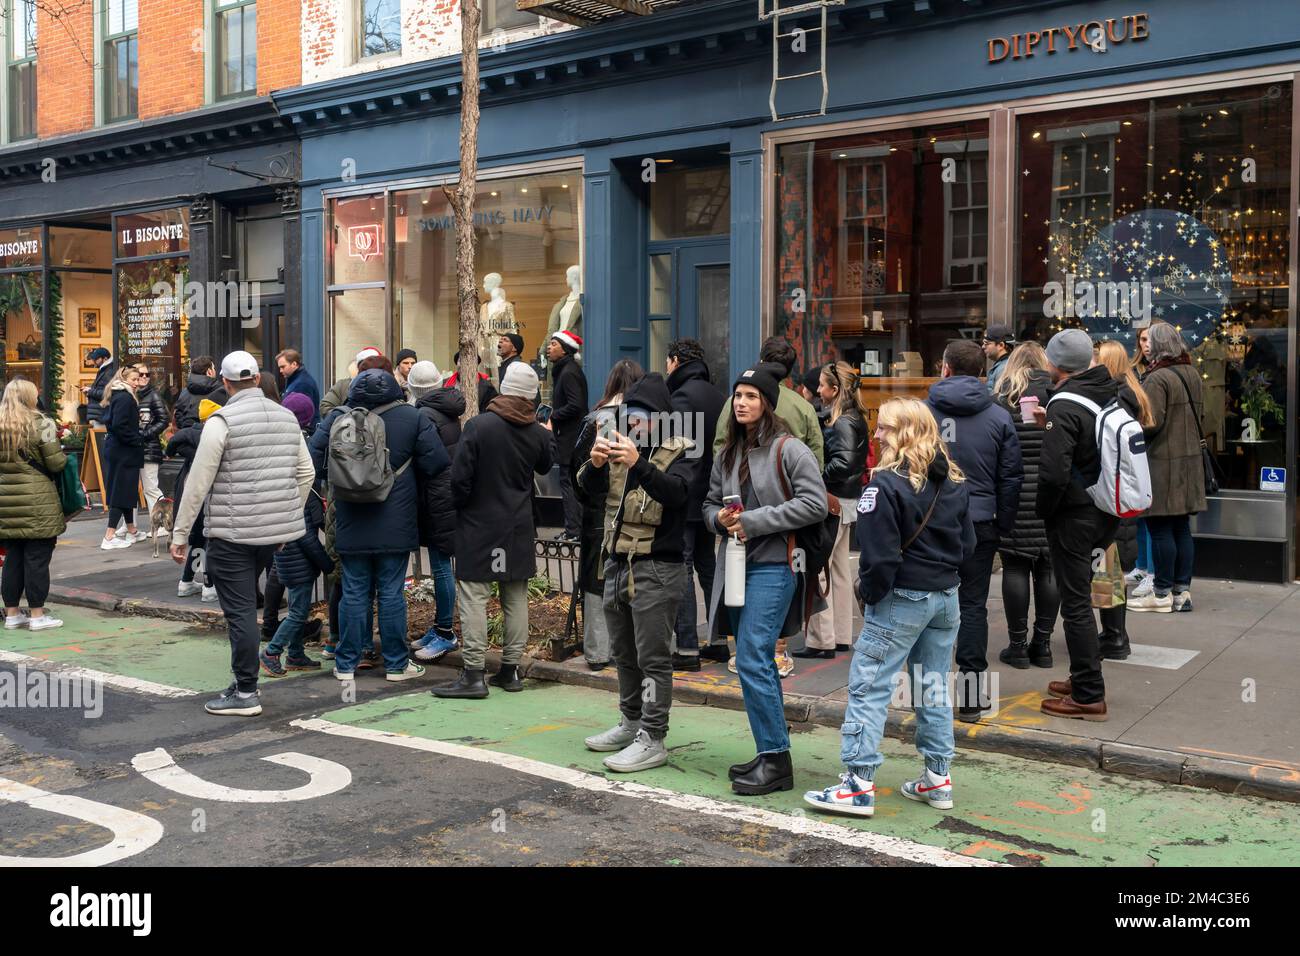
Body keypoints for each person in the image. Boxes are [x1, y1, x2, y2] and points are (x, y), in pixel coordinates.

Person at [804, 398, 974, 818]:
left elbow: (879, 559)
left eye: (883, 428)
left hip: (902, 597)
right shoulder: (952, 481)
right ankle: (938, 778)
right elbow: (968, 545)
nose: (875, 436)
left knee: (870, 688)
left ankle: (857, 785)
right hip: (944, 597)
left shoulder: (884, 485)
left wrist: (871, 595)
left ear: (905, 433)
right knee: (932, 687)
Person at [703, 364, 828, 796]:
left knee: (754, 658)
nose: (741, 402)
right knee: (753, 662)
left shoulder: (789, 449)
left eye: (751, 396)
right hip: (735, 567)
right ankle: (770, 752)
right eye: (737, 395)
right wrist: (717, 519)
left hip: (776, 566)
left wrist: (754, 522)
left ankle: (777, 761)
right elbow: (707, 504)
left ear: (767, 403)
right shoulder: (728, 454)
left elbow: (815, 504)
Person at [170, 351, 317, 717]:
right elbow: (306, 474)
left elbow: (197, 483)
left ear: (225, 381)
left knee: (239, 613)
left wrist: (180, 534)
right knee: (245, 607)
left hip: (231, 534)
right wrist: (287, 518)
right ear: (257, 379)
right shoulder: (286, 418)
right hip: (270, 535)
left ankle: (246, 690)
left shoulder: (222, 421)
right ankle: (242, 683)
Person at [580, 373, 696, 772]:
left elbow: (679, 496)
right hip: (616, 562)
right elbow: (589, 496)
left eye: (644, 416)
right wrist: (594, 465)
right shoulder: (619, 448)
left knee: (654, 658)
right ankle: (630, 722)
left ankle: (653, 736)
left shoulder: (683, 449)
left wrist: (640, 465)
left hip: (657, 568)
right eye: (631, 415)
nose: (634, 423)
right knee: (624, 655)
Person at [310, 368, 449, 682]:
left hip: (349, 519)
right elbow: (436, 463)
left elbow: (313, 457)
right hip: (396, 521)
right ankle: (397, 664)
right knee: (390, 593)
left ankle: (345, 664)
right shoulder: (413, 418)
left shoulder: (337, 419)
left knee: (355, 592)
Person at [434, 362, 553, 699]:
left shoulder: (479, 426)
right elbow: (546, 464)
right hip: (517, 525)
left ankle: (473, 674)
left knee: (474, 596)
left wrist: (461, 505)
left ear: (504, 388)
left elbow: (459, 479)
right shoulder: (536, 433)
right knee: (514, 596)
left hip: (479, 524)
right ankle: (511, 670)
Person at [925, 338, 1022, 721]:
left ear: (945, 368)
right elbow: (1011, 477)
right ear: (983, 372)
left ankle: (925, 695)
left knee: (924, 606)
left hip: (930, 521)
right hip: (980, 521)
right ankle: (970, 698)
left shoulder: (922, 413)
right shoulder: (998, 416)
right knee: (972, 606)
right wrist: (1004, 523)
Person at [1035, 328, 1120, 721]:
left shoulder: (1063, 405)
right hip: (1104, 506)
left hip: (1074, 514)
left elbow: (1053, 474)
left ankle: (1088, 693)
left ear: (1056, 363)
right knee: (1086, 595)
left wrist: (1044, 510)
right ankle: (1083, 674)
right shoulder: (1106, 390)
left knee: (1075, 603)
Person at [571, 359, 644, 672]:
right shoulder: (651, 420)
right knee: (637, 582)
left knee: (597, 581)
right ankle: (637, 649)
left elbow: (579, 472)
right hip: (639, 515)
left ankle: (599, 651)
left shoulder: (596, 421)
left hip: (599, 516)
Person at [992, 341, 1059, 669]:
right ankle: (1043, 645)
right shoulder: (1057, 394)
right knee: (1049, 566)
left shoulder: (1003, 398)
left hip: (1014, 492)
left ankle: (1017, 646)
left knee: (1015, 565)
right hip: (1051, 492)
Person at [1131, 322, 1206, 614]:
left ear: (1160, 346)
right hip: (1189, 461)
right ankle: (1181, 591)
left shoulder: (1157, 378)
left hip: (1162, 462)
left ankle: (1161, 593)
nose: (1144, 346)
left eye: (1150, 342)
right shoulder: (1192, 373)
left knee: (1160, 527)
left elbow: (1151, 423)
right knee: (1181, 528)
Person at [801, 361, 870, 658]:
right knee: (839, 571)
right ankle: (840, 636)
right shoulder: (851, 417)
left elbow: (843, 464)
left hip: (833, 502)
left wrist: (814, 476)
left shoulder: (842, 421)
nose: (817, 390)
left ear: (835, 389)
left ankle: (821, 641)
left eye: (822, 385)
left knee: (820, 570)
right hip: (845, 502)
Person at [259, 394, 330, 677]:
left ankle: (297, 654)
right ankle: (272, 652)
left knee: (300, 606)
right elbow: (306, 535)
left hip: (287, 559)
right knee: (299, 611)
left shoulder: (279, 484)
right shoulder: (300, 493)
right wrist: (326, 563)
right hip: (299, 561)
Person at [665, 339, 725, 671]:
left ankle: (687, 647)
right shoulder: (718, 395)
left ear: (676, 361)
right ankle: (718, 640)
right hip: (712, 494)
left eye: (667, 361)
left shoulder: (681, 397)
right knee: (708, 564)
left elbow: (680, 450)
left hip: (687, 494)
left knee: (683, 566)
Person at [1095, 340, 1155, 659]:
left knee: (1108, 566)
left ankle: (1115, 637)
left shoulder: (1117, 398)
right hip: (1126, 492)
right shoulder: (1133, 392)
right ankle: (1115, 633)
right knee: (1110, 566)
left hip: (1113, 495)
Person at [0, 378, 69, 631]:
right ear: (31, 398)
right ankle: (38, 615)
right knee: (37, 559)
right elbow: (56, 463)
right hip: (38, 503)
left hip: (6, 502)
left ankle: (12, 614)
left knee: (13, 558)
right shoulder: (43, 424)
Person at [411, 360, 463, 663]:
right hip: (446, 494)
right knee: (442, 565)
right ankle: (440, 627)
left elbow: (427, 461)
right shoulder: (446, 409)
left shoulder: (424, 414)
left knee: (442, 566)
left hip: (435, 497)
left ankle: (445, 632)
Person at [712, 337, 825, 469]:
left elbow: (720, 445)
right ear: (789, 371)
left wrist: (727, 478)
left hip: (742, 480)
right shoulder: (804, 407)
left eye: (752, 396)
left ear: (761, 361)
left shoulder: (735, 401)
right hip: (791, 483)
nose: (743, 402)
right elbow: (816, 457)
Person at [168, 395, 225, 602]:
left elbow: (170, 446)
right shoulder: (213, 435)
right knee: (209, 538)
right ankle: (209, 585)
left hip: (189, 487)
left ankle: (186, 580)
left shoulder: (187, 435)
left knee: (199, 539)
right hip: (210, 491)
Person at [546, 330, 589, 542]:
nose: (548, 347)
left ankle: (574, 531)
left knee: (568, 482)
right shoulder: (566, 370)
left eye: (553, 344)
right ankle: (573, 529)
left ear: (565, 349)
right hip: (568, 436)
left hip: (570, 438)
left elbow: (576, 404)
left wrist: (553, 415)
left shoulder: (569, 372)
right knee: (570, 482)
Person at [100, 366, 147, 550]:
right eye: (134, 379)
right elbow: (120, 426)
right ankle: (109, 535)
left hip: (119, 449)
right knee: (121, 490)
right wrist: (137, 439)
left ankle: (131, 529)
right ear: (125, 379)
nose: (137, 383)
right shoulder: (125, 398)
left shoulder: (118, 395)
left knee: (127, 489)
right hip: (124, 451)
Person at [133, 364, 169, 534]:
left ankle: (162, 523)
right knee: (131, 488)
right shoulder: (130, 395)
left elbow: (163, 420)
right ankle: (128, 526)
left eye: (148, 374)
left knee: (151, 488)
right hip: (133, 448)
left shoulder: (153, 396)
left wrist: (145, 434)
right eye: (142, 374)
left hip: (149, 448)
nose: (145, 377)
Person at [320, 347, 380, 417]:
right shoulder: (343, 385)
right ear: (358, 367)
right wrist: (345, 419)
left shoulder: (384, 387)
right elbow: (325, 407)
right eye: (364, 366)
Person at [277, 349, 320, 428]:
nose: (280, 370)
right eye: (280, 367)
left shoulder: (302, 384)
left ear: (294, 364)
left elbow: (303, 414)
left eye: (283, 367)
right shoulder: (294, 380)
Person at [175, 356, 220, 430]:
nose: (215, 371)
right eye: (214, 368)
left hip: (187, 436)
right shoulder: (219, 391)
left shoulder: (185, 392)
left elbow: (178, 415)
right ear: (209, 371)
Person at [83, 348, 116, 424]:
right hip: (99, 414)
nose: (93, 361)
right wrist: (89, 391)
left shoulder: (109, 372)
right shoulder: (105, 370)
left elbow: (108, 393)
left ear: (105, 358)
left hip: (102, 415)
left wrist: (90, 391)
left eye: (96, 359)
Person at [983, 324, 1015, 394]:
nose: (983, 346)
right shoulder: (1006, 364)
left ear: (1001, 345)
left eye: (986, 343)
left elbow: (1000, 400)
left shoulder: (1004, 368)